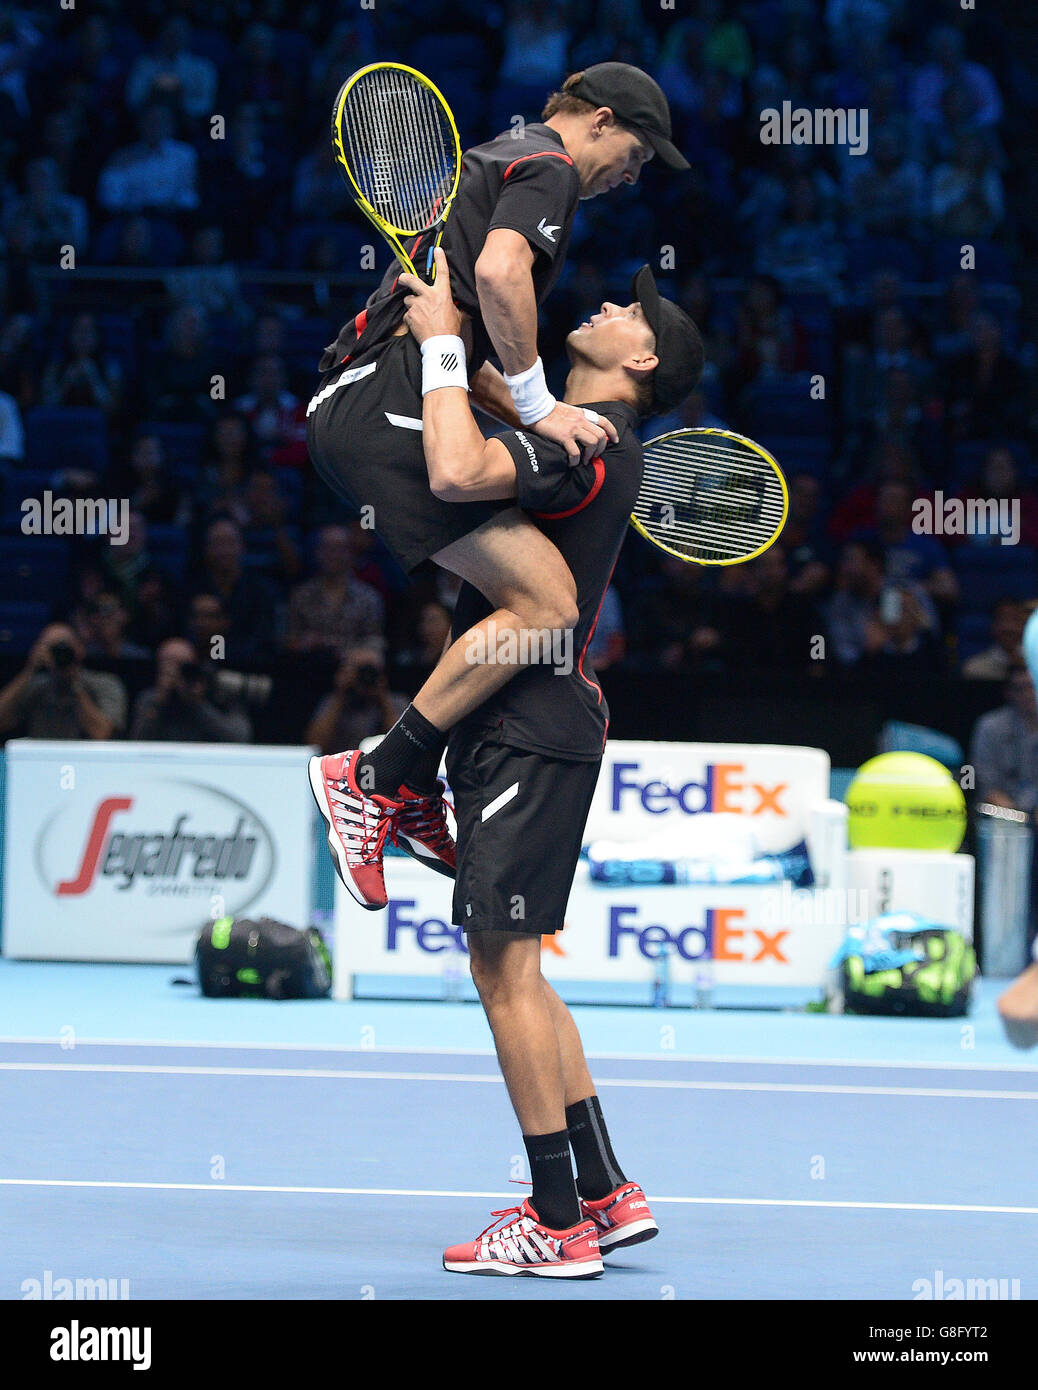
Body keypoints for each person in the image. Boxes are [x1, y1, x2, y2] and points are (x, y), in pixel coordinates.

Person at [317, 252, 703, 1275]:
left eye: (635, 310)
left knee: (504, 971)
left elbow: (454, 469)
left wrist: (442, 342)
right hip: (540, 725)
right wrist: (484, 367)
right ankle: (605, 1190)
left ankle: (555, 1218)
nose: (615, 301)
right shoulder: (576, 436)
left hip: (525, 727)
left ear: (644, 358)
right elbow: (504, 417)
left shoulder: (586, 451)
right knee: (523, 969)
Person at [307, 65, 689, 898]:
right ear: (597, 119)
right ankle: (372, 779)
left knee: (528, 597)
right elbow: (500, 276)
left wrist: (518, 406)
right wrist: (539, 403)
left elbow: (474, 355)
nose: (633, 174)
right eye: (636, 152)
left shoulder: (509, 159)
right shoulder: (549, 168)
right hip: (384, 407)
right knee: (549, 604)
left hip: (370, 400)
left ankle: (402, 782)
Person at [0, 623, 125, 740]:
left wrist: (74, 683)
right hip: (41, 758)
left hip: (88, 759)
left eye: (65, 647)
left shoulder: (105, 684)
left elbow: (102, 733)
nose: (59, 654)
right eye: (52, 648)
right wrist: (29, 669)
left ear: (79, 648)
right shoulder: (35, 686)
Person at [130, 639, 251, 743]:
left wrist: (199, 703)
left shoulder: (218, 694)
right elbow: (138, 740)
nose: (175, 672)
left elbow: (240, 737)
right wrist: (159, 701)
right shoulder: (151, 698)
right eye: (168, 665)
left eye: (181, 666)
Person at [304, 644, 407, 756]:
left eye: (369, 670)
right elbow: (315, 745)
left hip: (382, 768)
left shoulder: (396, 702)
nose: (364, 676)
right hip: (340, 768)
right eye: (358, 670)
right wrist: (340, 694)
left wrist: (383, 699)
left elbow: (404, 745)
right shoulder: (332, 702)